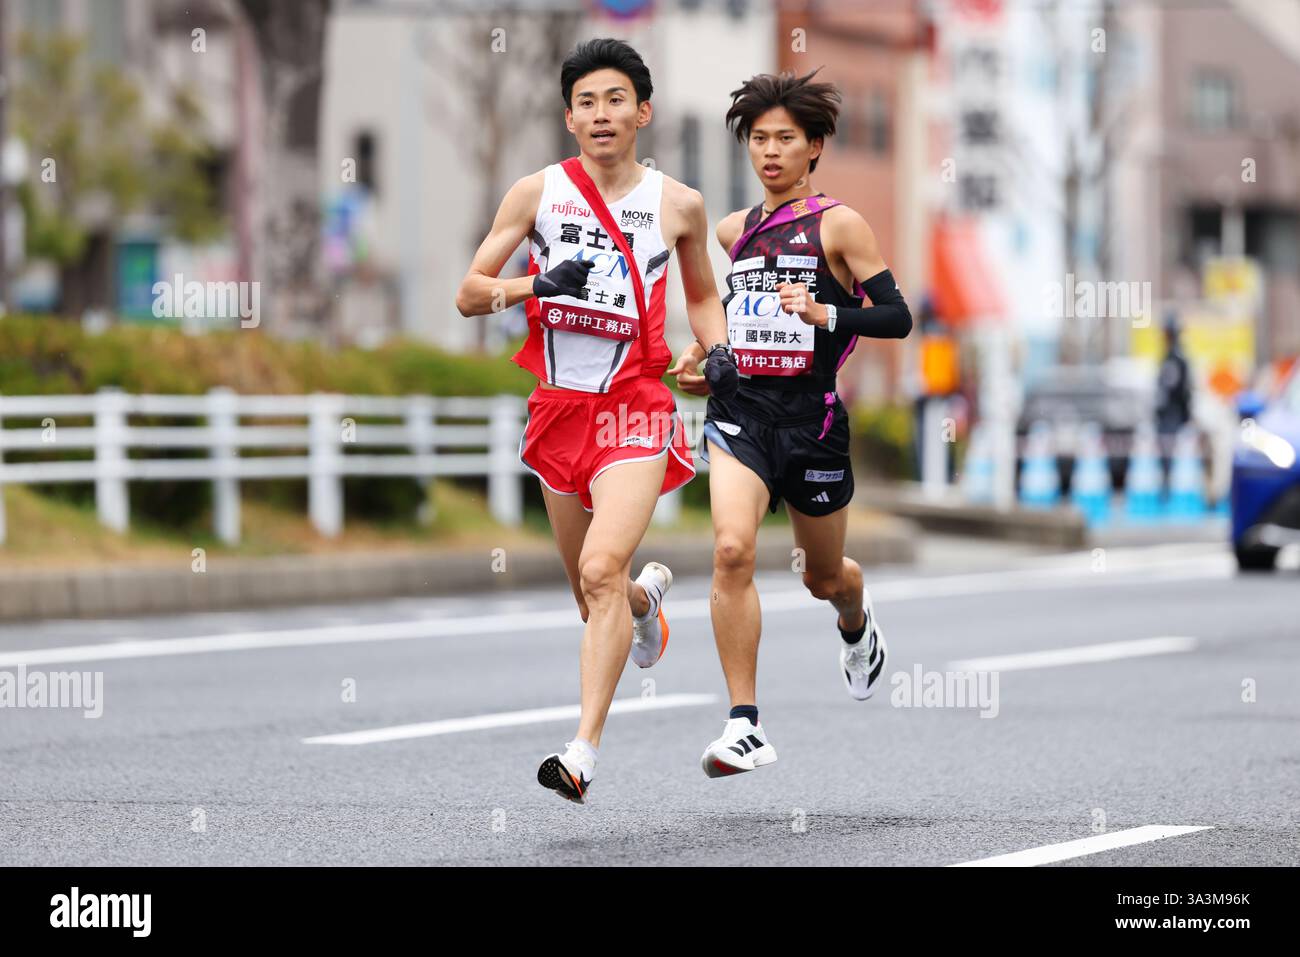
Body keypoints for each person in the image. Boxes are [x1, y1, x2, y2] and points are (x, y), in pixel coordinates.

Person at [455, 38, 737, 803]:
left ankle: (580, 753)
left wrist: (717, 353)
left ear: (642, 112)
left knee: (598, 569)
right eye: (586, 101)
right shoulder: (536, 193)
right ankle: (647, 607)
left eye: (616, 99)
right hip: (558, 409)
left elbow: (704, 295)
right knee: (595, 596)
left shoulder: (677, 203)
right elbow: (471, 291)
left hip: (637, 409)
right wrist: (534, 285)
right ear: (569, 117)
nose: (602, 113)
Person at [672, 69, 912, 778]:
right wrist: (705, 356)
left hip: (813, 422)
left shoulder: (841, 225)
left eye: (785, 139)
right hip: (743, 413)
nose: (769, 151)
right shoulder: (732, 231)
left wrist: (826, 313)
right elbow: (726, 320)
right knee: (731, 551)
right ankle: (744, 722)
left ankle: (856, 622)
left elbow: (896, 316)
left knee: (823, 575)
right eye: (758, 139)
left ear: (814, 148)